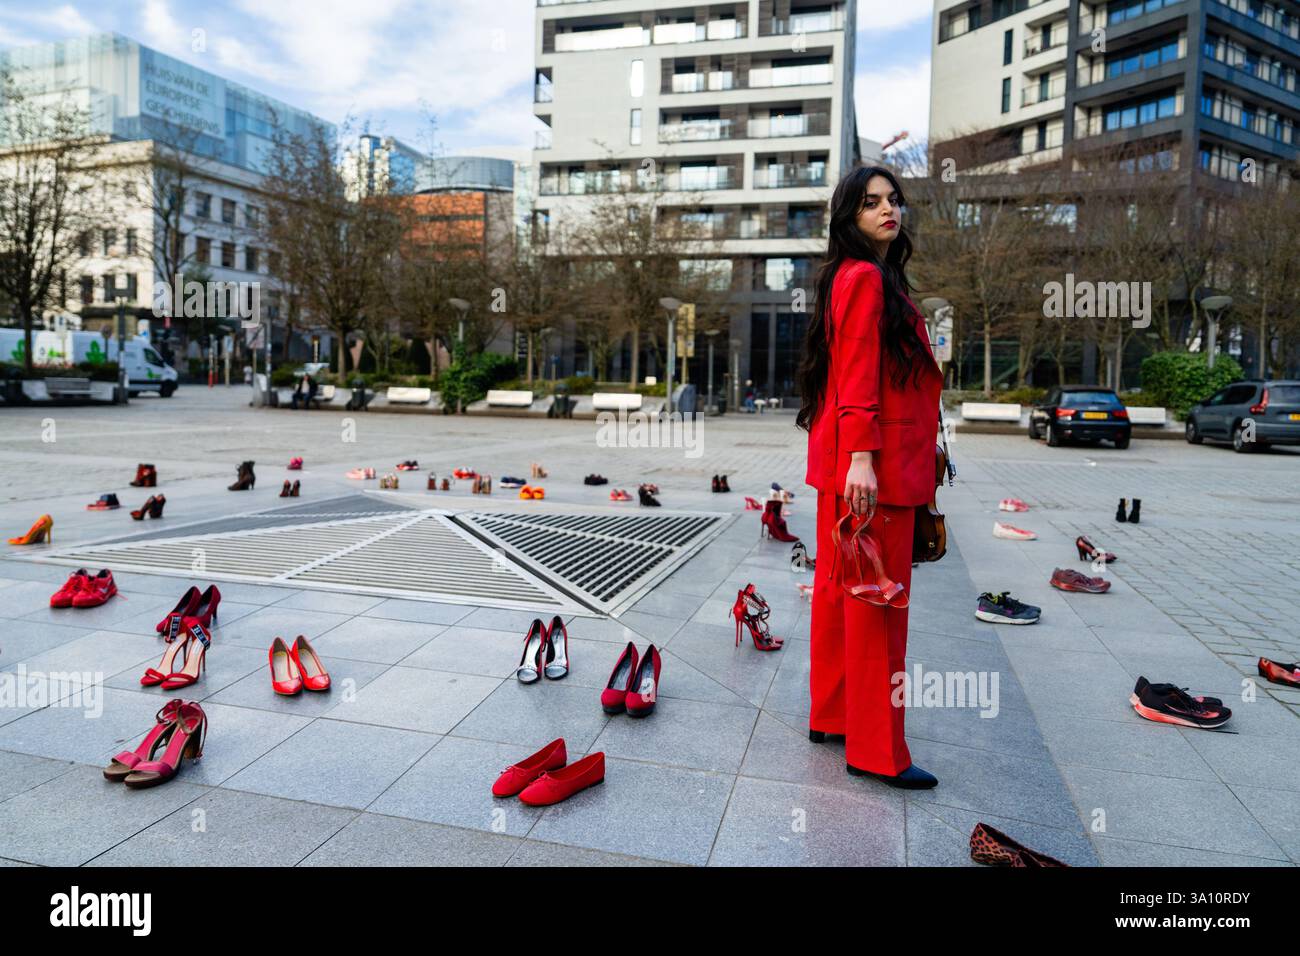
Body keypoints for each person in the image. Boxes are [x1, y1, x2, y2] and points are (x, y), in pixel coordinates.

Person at [796, 165, 943, 790]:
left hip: (856, 463)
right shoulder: (864, 279)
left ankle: (830, 716)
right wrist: (862, 457)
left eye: (894, 200)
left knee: (839, 593)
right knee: (879, 604)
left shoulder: (858, 276)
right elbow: (856, 372)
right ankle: (878, 752)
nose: (889, 210)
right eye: (871, 202)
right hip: (873, 466)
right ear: (848, 216)